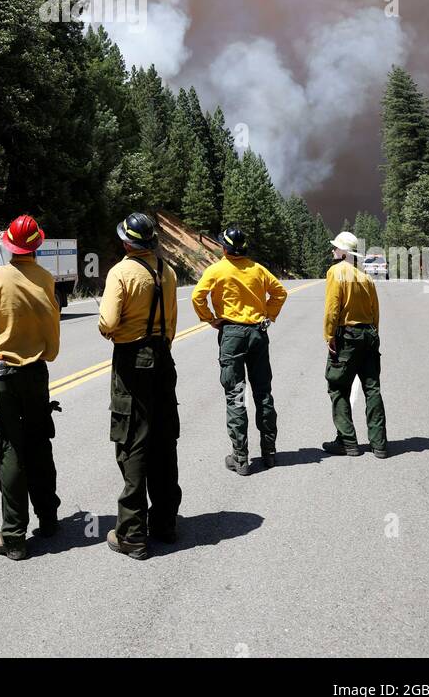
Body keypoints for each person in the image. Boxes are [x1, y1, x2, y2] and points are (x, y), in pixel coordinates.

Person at [0, 214, 61, 561]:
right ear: (36, 245)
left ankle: (15, 537)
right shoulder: (47, 279)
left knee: (10, 450)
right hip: (36, 373)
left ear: (8, 245)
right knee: (39, 445)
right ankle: (48, 520)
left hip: (2, 376)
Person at [98, 212, 180, 560]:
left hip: (133, 360)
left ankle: (132, 533)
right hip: (163, 356)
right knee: (163, 436)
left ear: (127, 242)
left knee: (133, 439)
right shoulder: (168, 271)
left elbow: (108, 322)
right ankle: (165, 523)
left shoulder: (121, 272)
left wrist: (112, 332)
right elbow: (172, 321)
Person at [192, 223, 288, 474]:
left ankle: (241, 458)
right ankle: (269, 453)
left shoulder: (216, 270)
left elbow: (197, 297)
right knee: (263, 394)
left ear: (224, 248)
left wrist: (210, 318)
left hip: (232, 333)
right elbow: (279, 292)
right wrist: (268, 314)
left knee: (235, 395)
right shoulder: (257, 269)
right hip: (257, 333)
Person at [322, 229, 388, 459]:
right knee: (372, 389)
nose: (332, 250)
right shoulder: (366, 277)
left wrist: (330, 335)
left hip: (347, 336)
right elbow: (375, 311)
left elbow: (333, 308)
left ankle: (347, 442)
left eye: (335, 247)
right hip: (369, 335)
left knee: (338, 387)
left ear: (342, 252)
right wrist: (374, 336)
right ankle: (379, 444)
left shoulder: (336, 272)